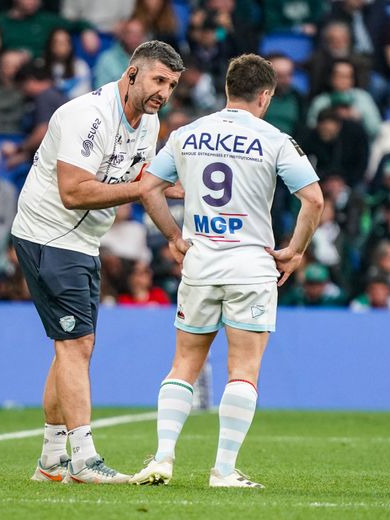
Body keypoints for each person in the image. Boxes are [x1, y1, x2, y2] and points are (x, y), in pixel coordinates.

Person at [128, 54, 323, 488]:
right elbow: (314, 199)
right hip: (251, 266)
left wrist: (175, 237)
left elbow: (148, 188)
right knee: (243, 370)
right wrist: (293, 250)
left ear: (228, 90)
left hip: (200, 262)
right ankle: (223, 470)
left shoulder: (187, 133)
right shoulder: (274, 139)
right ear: (266, 95)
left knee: (183, 364)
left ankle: (162, 458)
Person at [10, 41, 184, 484]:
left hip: (84, 241)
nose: (164, 92)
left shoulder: (149, 122)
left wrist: (174, 234)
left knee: (72, 347)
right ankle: (84, 460)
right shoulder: (86, 115)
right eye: (158, 80)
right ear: (131, 74)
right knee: (76, 346)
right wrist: (147, 188)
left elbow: (144, 185)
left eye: (172, 85)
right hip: (48, 233)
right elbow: (74, 191)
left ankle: (51, 461)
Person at [42, 27, 92, 100]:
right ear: (51, 46)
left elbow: (84, 93)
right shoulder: (42, 65)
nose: (63, 45)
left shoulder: (80, 65)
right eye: (59, 42)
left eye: (66, 42)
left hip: (75, 104)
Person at [279, 263, 345, 307]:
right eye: (311, 283)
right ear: (305, 284)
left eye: (318, 284)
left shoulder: (336, 298)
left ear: (325, 283)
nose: (314, 288)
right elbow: (281, 308)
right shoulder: (295, 296)